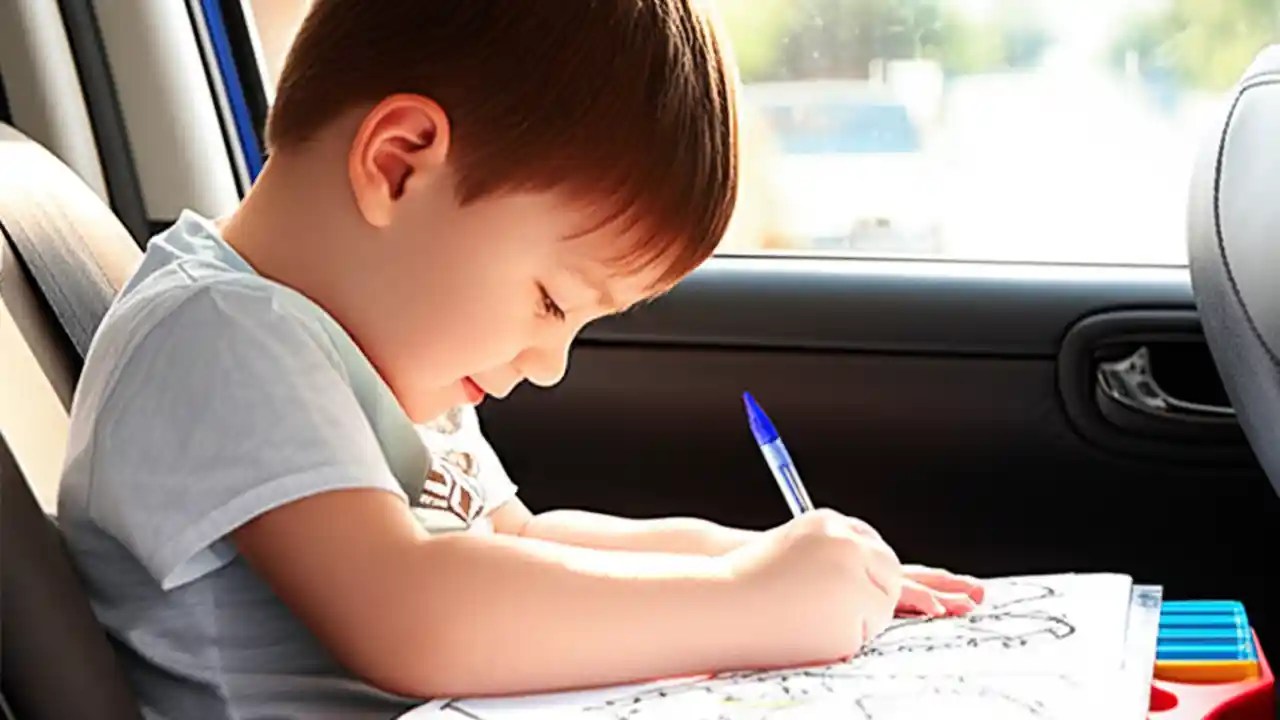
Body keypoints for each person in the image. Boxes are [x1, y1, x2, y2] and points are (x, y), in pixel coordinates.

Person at [57, 2, 982, 718]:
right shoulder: (222, 336)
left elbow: (519, 543)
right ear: (399, 165)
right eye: (551, 301)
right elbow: (417, 613)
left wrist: (767, 559)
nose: (548, 365)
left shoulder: (365, 346)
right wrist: (749, 602)